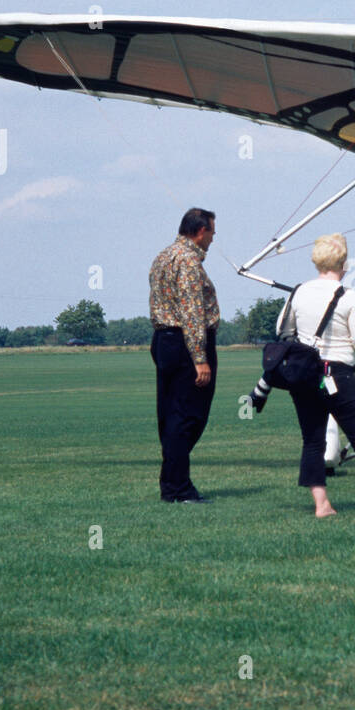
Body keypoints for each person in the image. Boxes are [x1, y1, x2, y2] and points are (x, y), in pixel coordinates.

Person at [276, 233, 355, 518]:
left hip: (305, 375)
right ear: (343, 263)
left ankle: (322, 505)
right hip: (338, 372)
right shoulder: (349, 296)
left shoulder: (298, 292)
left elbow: (282, 331)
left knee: (312, 440)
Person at [149, 207, 220, 504]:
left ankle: (172, 482)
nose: (213, 239)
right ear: (200, 231)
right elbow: (192, 312)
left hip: (164, 341)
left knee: (170, 415)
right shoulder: (189, 261)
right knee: (189, 416)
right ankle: (178, 487)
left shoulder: (163, 256)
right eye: (212, 233)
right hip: (185, 344)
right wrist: (199, 358)